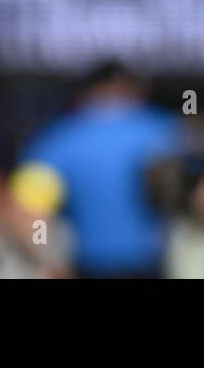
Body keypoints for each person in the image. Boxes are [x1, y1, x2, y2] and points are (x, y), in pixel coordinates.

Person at [11, 61, 184, 278]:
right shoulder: (165, 131)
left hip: (86, 267)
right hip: (154, 266)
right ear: (134, 89)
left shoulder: (56, 141)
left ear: (85, 93)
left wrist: (49, 261)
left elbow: (29, 215)